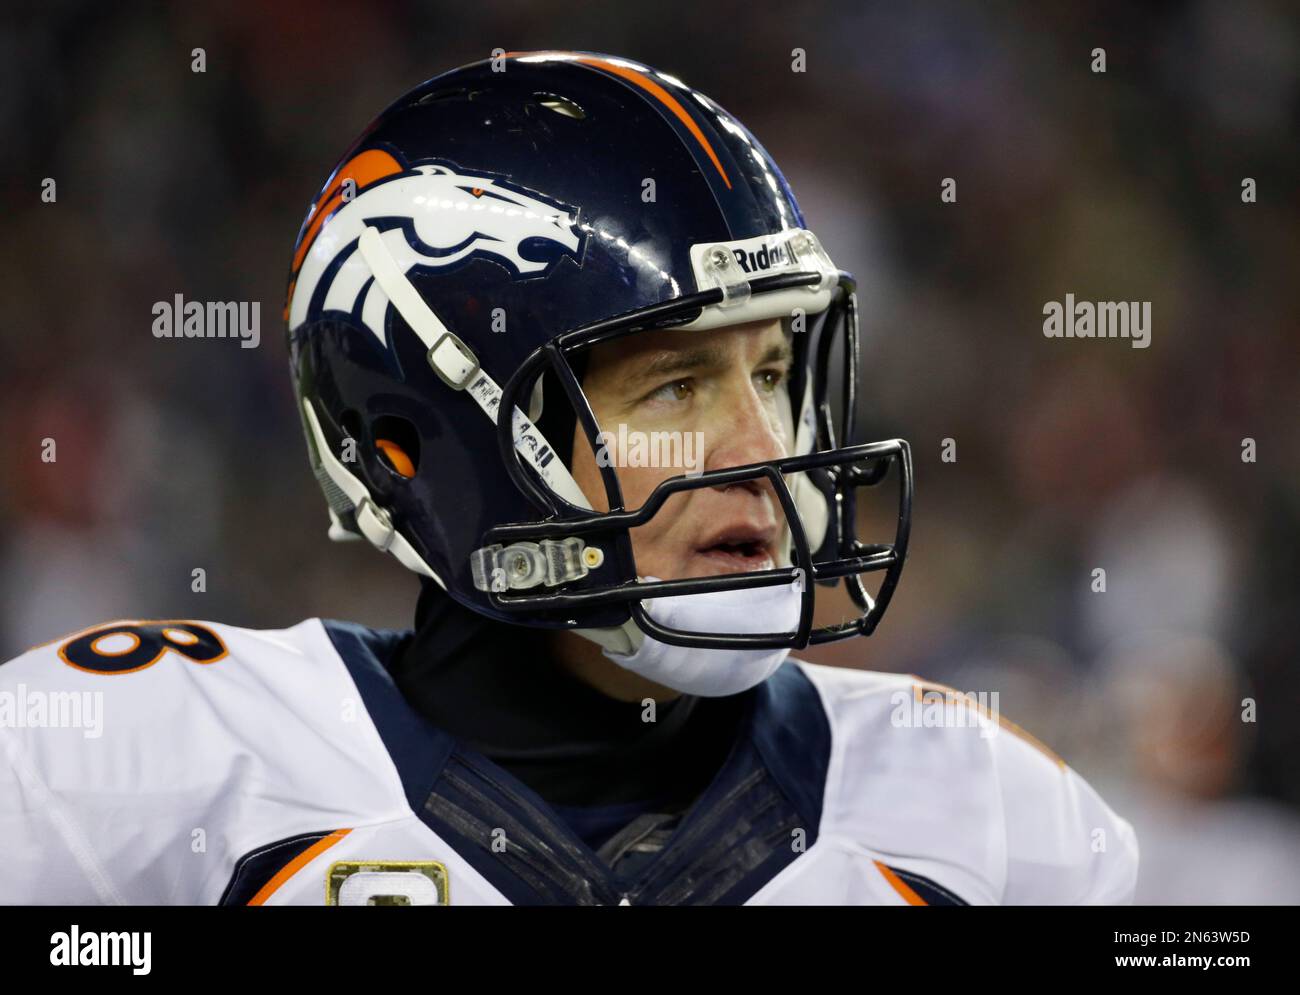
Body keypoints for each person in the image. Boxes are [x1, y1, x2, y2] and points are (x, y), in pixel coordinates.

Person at [0, 51, 1137, 905]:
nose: (760, 448)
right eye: (677, 385)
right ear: (424, 435)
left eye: (778, 371)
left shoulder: (978, 813)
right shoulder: (142, 774)